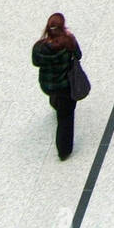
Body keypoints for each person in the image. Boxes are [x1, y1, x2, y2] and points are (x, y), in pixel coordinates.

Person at [32, 13, 83, 160]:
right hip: (65, 86)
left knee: (56, 98)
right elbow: (78, 55)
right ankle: (64, 150)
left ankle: (55, 104)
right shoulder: (69, 43)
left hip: (48, 85)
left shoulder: (39, 47)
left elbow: (35, 62)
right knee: (65, 117)